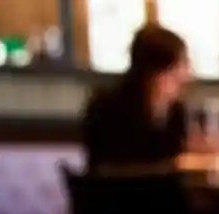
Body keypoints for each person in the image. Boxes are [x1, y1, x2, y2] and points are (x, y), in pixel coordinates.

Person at [82, 25, 192, 170]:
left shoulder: (175, 113)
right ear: (155, 73)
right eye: (179, 66)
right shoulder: (107, 110)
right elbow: (113, 168)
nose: (188, 75)